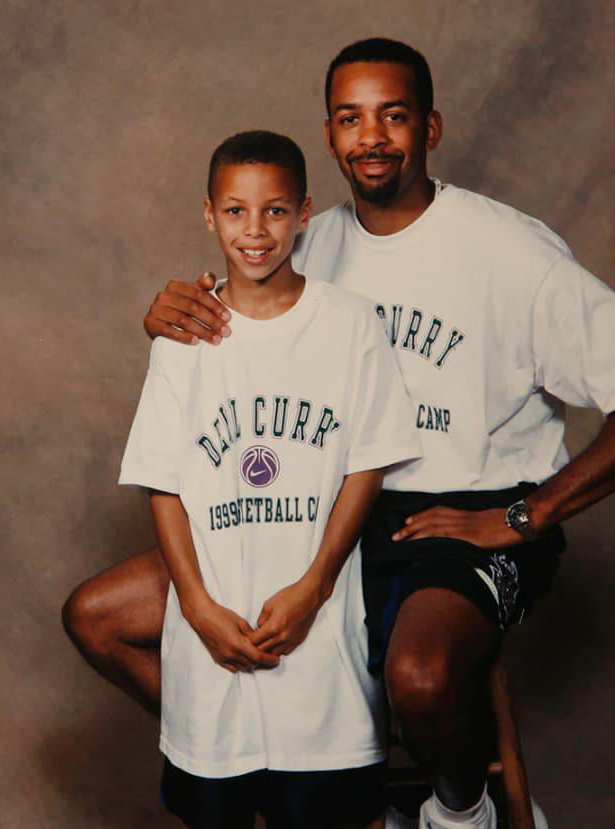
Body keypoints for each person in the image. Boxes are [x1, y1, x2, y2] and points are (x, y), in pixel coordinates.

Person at [63, 38, 615, 829]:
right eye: (352, 119)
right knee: (97, 615)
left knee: (421, 676)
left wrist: (524, 516)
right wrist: (169, 313)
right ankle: (259, 749)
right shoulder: (306, 243)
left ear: (432, 126)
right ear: (328, 136)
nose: (373, 137)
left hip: (461, 516)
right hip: (313, 510)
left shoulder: (512, 253)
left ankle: (460, 811)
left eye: (394, 115)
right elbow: (220, 323)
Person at [117, 128, 422, 829]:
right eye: (235, 211)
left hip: (320, 660)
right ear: (208, 213)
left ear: (306, 212)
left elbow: (365, 463)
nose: (255, 231)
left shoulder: (348, 324)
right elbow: (163, 482)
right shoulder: (185, 339)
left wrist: (316, 584)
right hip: (211, 650)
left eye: (275, 211)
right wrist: (193, 603)